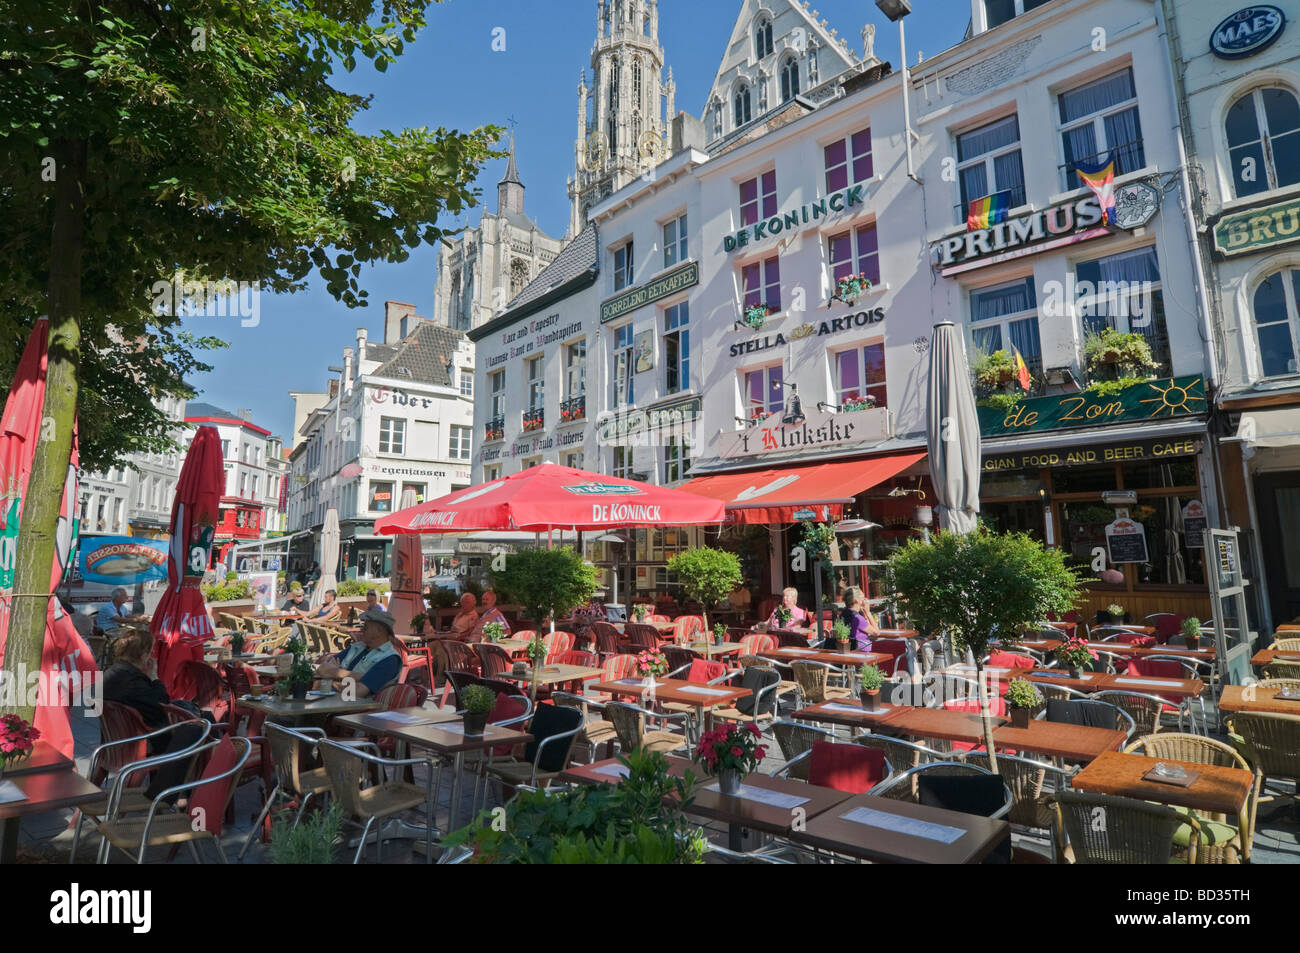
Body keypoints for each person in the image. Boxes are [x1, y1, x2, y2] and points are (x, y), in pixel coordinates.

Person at [102, 630, 207, 799]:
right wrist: (154, 676)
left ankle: (185, 792)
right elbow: (160, 703)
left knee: (195, 721)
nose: (152, 655)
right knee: (199, 728)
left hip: (114, 741)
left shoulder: (110, 674)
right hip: (141, 742)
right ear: (144, 655)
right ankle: (189, 793)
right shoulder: (134, 681)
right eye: (151, 651)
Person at [315, 606, 402, 698]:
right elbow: (322, 669)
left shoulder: (390, 659)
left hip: (356, 710)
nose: (361, 629)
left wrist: (333, 675)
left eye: (366, 627)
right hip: (331, 702)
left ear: (379, 631)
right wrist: (358, 677)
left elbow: (358, 692)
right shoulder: (358, 646)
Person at [822, 586, 876, 651]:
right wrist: (868, 612)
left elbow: (868, 631)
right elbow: (877, 633)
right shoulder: (858, 619)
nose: (865, 599)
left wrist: (864, 612)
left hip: (849, 650)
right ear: (857, 600)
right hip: (863, 652)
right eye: (863, 597)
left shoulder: (843, 615)